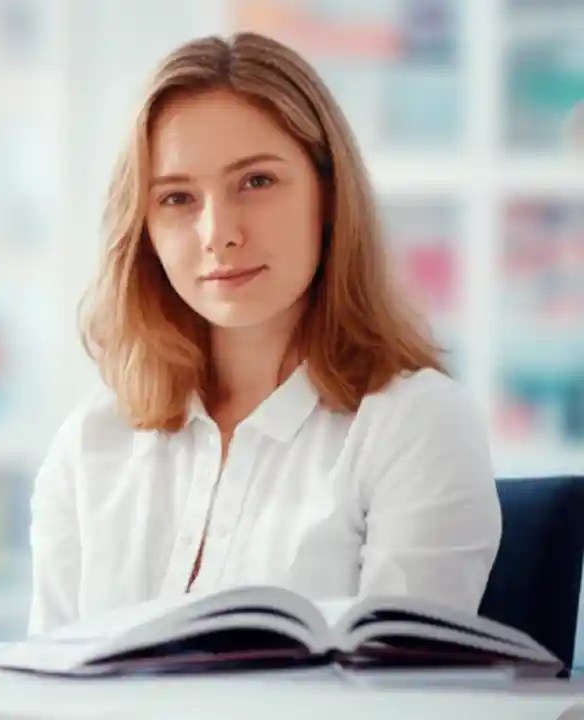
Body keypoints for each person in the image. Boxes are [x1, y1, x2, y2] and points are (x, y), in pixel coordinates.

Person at [28, 32, 500, 635]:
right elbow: (46, 685)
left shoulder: (415, 425)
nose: (218, 233)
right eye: (177, 197)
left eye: (256, 182)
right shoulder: (92, 443)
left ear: (329, 196)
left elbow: (396, 694)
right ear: (143, 229)